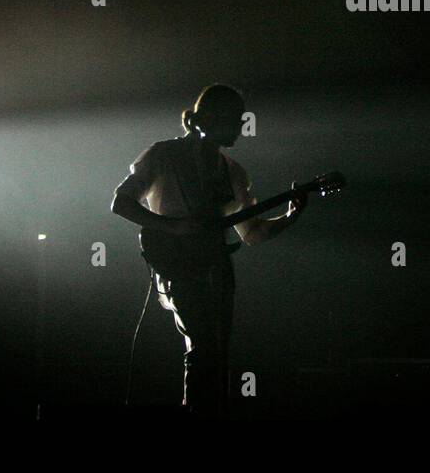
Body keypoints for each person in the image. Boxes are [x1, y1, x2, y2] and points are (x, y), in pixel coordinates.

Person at [111, 84, 309, 416]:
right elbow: (121, 202)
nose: (239, 128)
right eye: (233, 120)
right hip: (177, 265)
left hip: (216, 268)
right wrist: (173, 226)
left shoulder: (233, 172)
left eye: (240, 120)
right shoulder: (162, 155)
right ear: (207, 119)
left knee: (216, 353)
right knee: (203, 348)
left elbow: (252, 233)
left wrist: (291, 216)